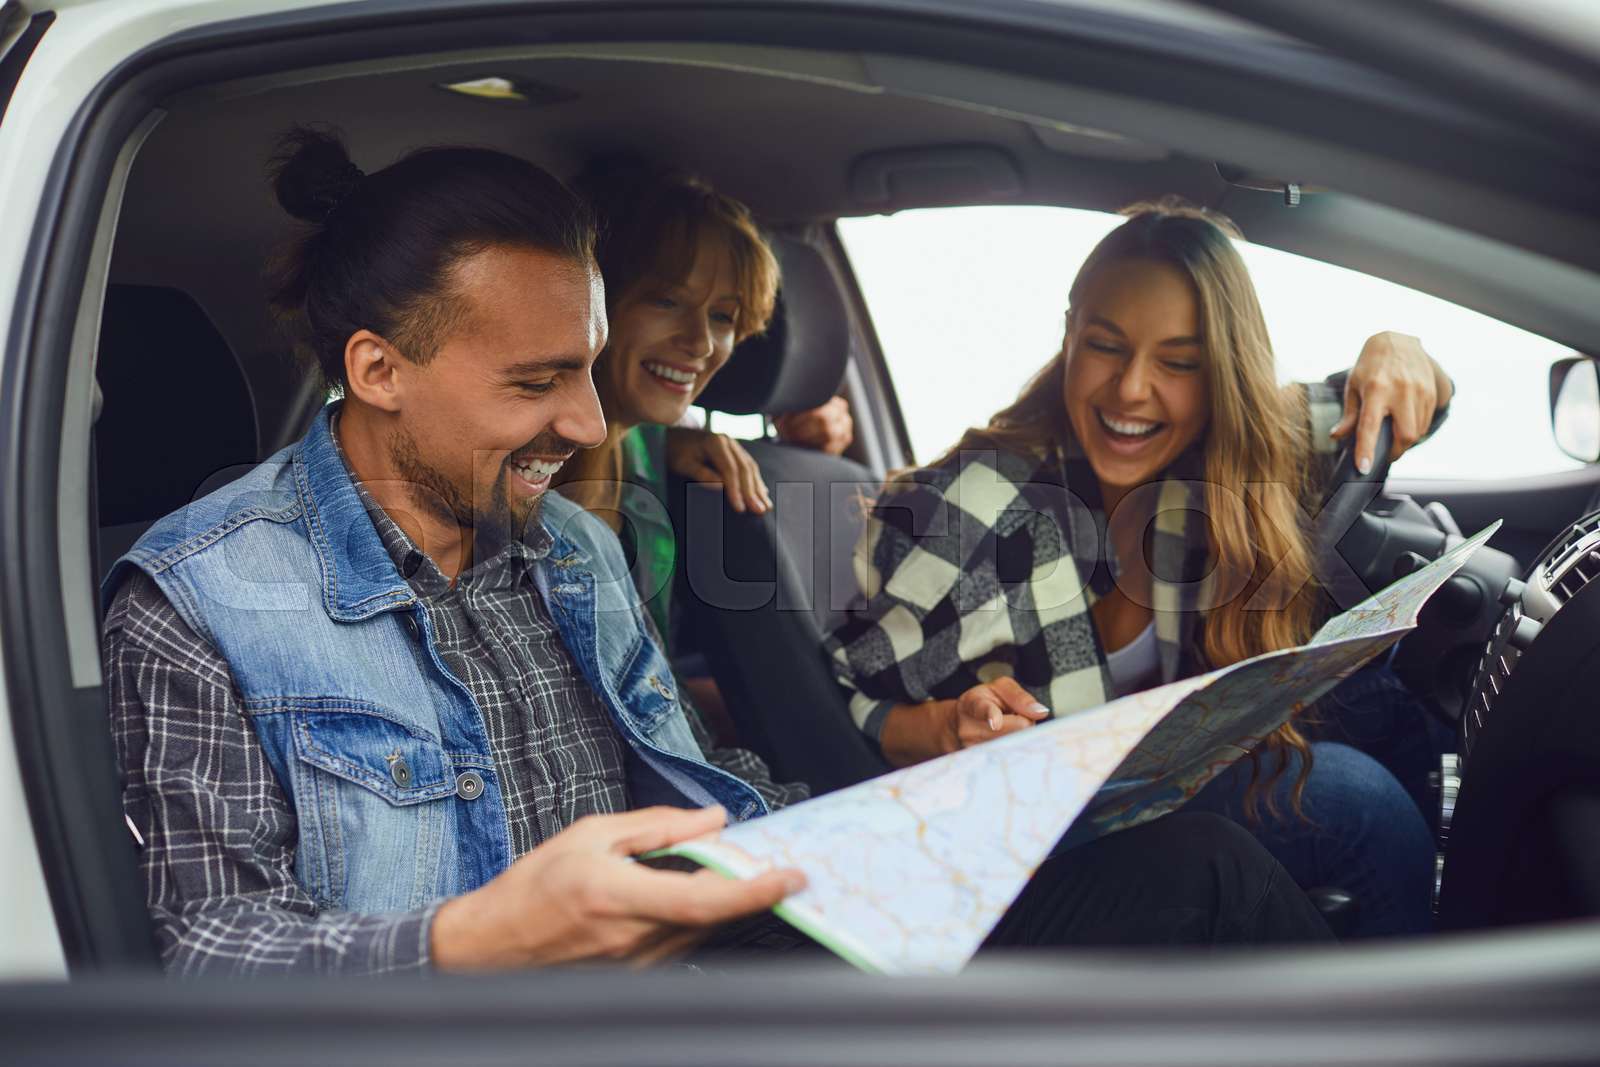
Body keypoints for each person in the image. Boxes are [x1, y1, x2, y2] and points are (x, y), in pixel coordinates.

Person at [101, 136, 1331, 975]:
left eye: (585, 367)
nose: (589, 423)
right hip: (485, 1019)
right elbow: (200, 947)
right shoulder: (205, 597)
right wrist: (479, 935)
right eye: (537, 381)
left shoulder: (569, 544)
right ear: (377, 369)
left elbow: (706, 786)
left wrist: (939, 812)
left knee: (1200, 872)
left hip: (703, 958)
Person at [826, 198, 1450, 938]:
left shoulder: (1224, 455)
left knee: (1381, 699)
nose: (1130, 389)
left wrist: (1400, 350)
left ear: (1220, 374)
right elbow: (849, 704)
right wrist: (947, 729)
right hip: (1026, 838)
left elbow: (1388, 408)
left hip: (1151, 787)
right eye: (1106, 346)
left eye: (1178, 363)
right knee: (1356, 803)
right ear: (1069, 336)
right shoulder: (973, 507)